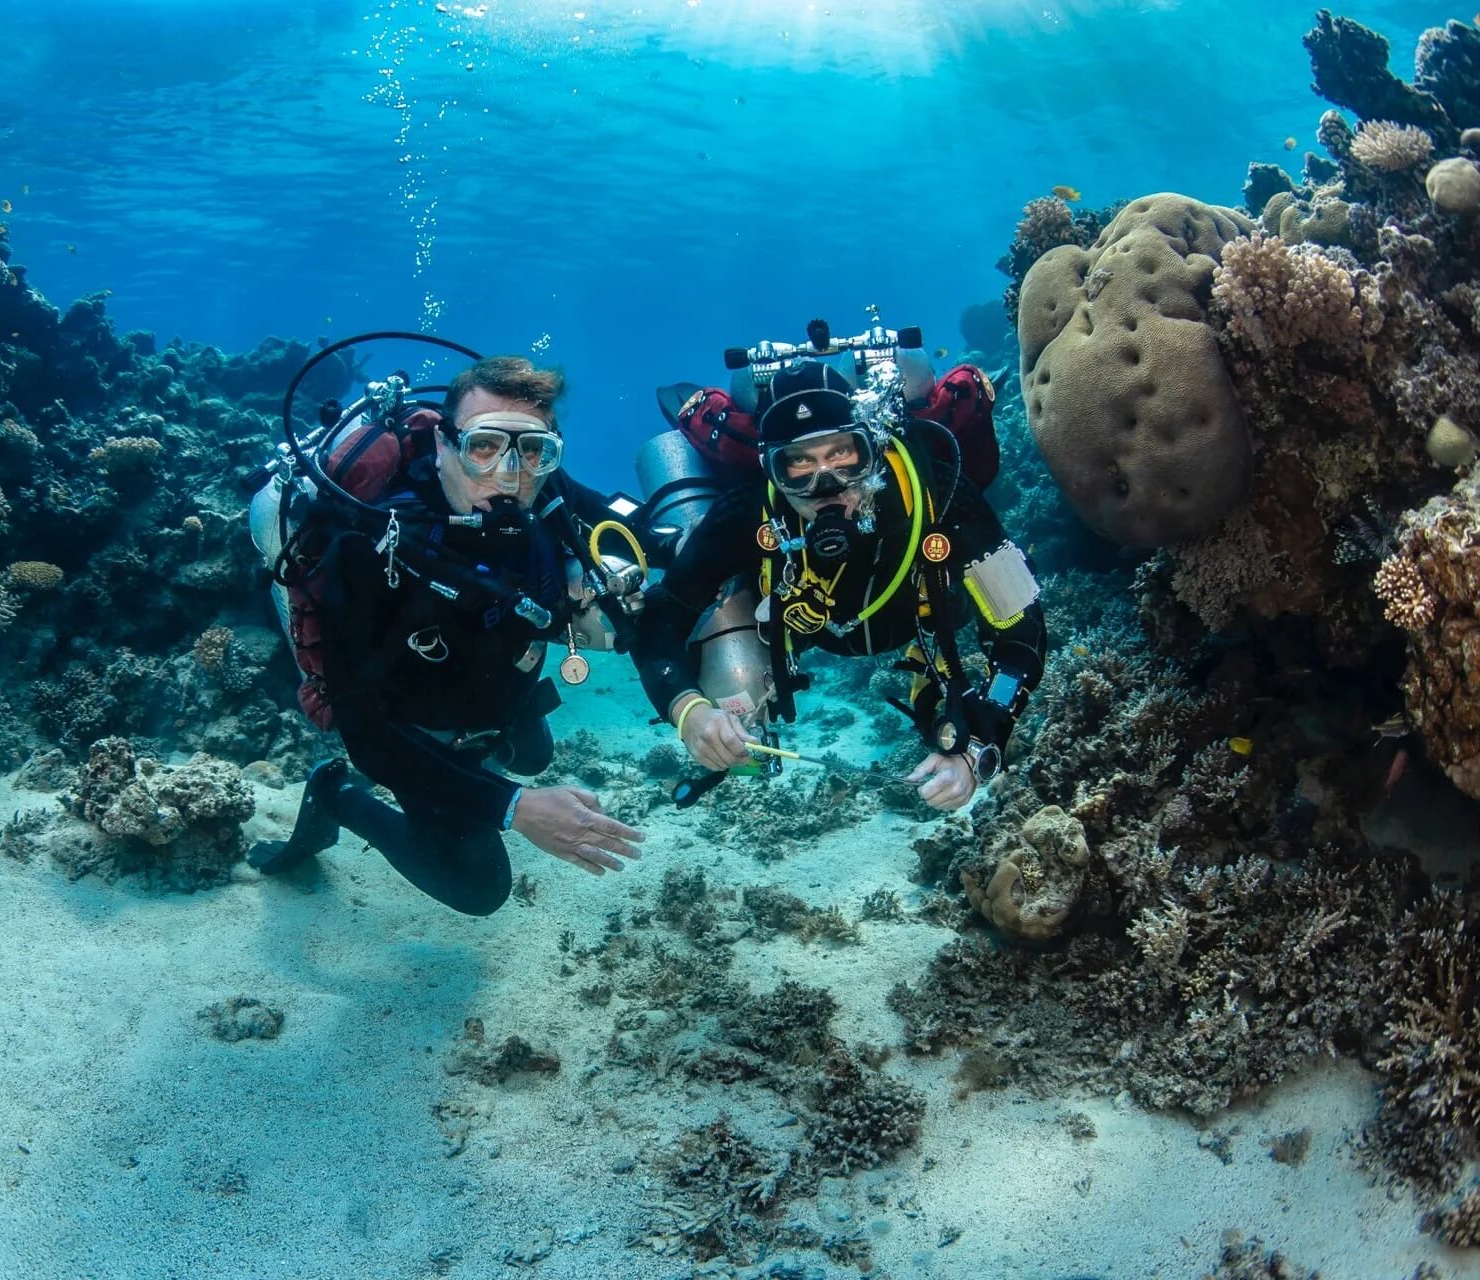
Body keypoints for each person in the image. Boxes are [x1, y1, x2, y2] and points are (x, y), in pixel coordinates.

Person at [248, 355, 645, 915]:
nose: (510, 474)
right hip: (410, 721)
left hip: (492, 679)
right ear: (443, 444)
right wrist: (513, 808)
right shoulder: (365, 548)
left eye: (533, 450)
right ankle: (336, 796)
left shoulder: (545, 484)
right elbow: (366, 734)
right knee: (478, 888)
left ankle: (480, 757)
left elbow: (640, 527)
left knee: (532, 756)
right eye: (483, 446)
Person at [632, 360, 1047, 810]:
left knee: (962, 695)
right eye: (799, 465)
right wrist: (688, 710)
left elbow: (1021, 629)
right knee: (735, 681)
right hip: (793, 625)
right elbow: (658, 616)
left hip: (924, 617)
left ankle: (929, 676)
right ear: (773, 471)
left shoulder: (943, 496)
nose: (825, 484)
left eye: (842, 456)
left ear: (872, 449)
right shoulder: (746, 515)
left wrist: (980, 744)